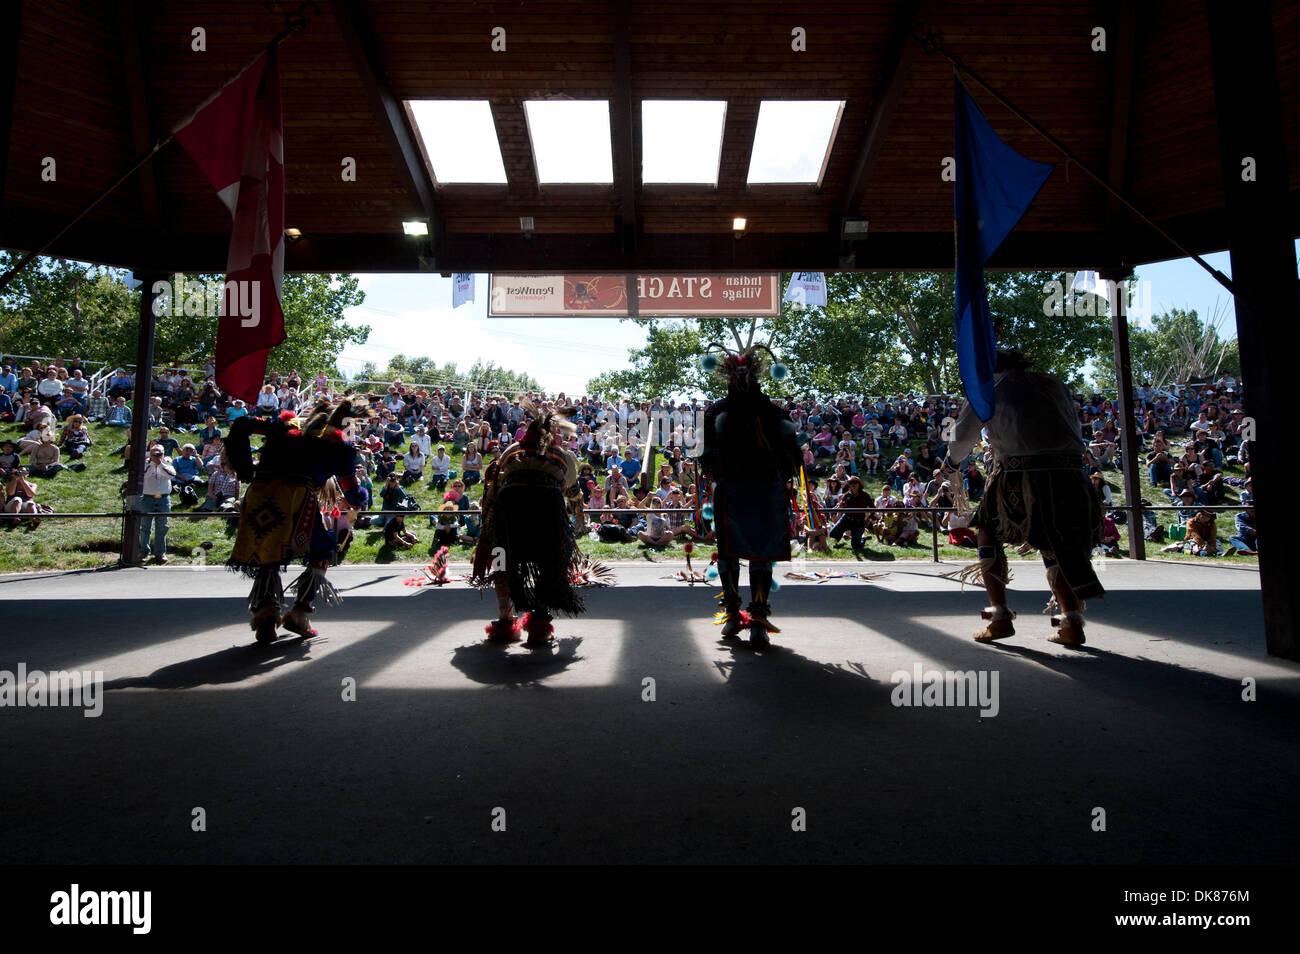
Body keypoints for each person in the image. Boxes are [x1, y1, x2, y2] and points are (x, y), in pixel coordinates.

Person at [943, 349, 1104, 646]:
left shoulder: (988, 389)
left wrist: (951, 462)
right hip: (1071, 475)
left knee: (987, 531)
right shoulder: (1053, 382)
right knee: (1055, 538)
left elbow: (963, 434)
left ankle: (1000, 615)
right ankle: (1071, 620)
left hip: (1022, 474)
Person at [225, 401, 365, 643]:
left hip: (259, 494)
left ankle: (267, 616)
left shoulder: (284, 425)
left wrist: (245, 468)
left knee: (270, 553)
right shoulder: (336, 444)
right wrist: (360, 498)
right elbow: (351, 492)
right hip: (296, 497)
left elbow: (241, 423)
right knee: (320, 550)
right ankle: (300, 611)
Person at [698, 343, 800, 646]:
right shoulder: (774, 412)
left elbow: (704, 456)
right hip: (764, 491)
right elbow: (792, 457)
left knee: (730, 552)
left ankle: (736, 616)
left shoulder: (719, 411)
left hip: (734, 490)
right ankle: (754, 618)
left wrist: (719, 473)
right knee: (760, 554)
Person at [470, 401, 585, 647]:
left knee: (501, 560)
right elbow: (573, 491)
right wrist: (578, 508)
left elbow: (494, 486)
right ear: (552, 434)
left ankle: (505, 621)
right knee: (550, 562)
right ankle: (540, 625)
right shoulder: (563, 456)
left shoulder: (511, 450)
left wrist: (488, 524)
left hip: (507, 518)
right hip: (547, 518)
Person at [138, 444, 175, 563]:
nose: (157, 456)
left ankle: (160, 552)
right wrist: (152, 463)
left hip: (163, 499)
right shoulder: (145, 463)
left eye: (159, 453)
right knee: (145, 527)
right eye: (154, 453)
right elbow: (144, 475)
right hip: (147, 498)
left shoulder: (167, 463)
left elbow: (171, 475)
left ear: (163, 454)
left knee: (162, 527)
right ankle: (144, 552)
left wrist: (160, 463)